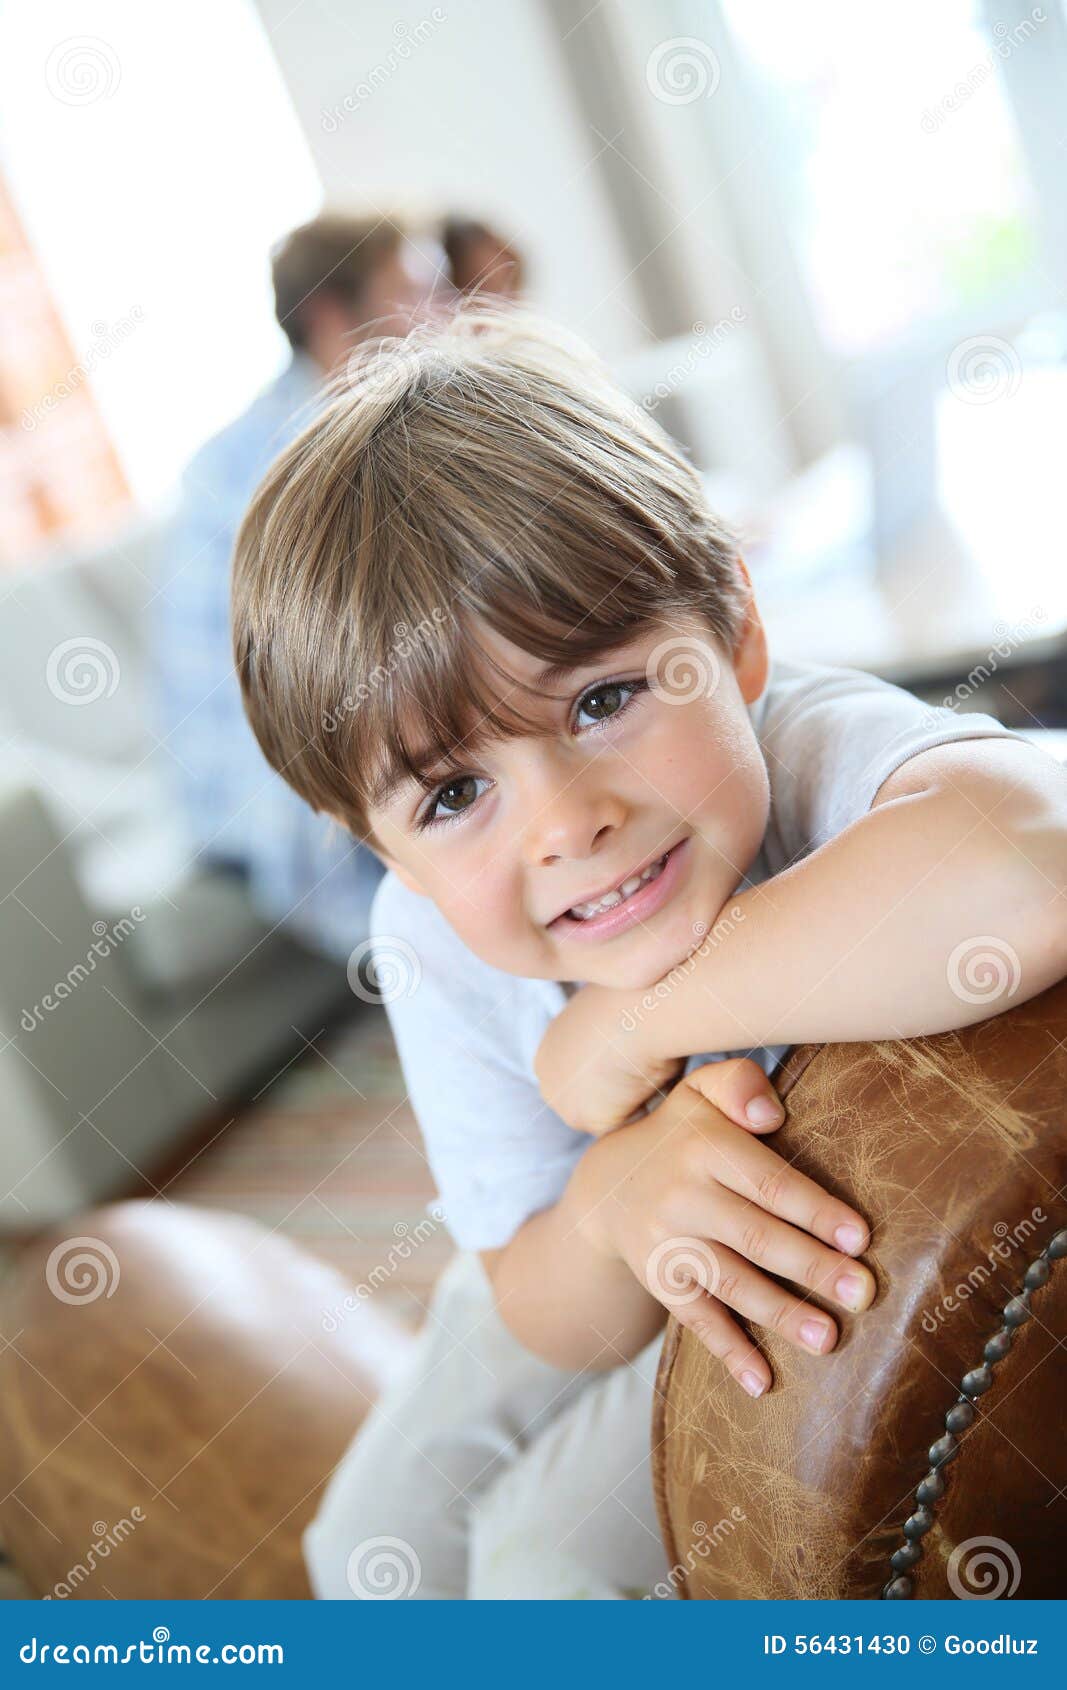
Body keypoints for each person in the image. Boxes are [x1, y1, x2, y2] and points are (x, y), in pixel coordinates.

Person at [229, 302, 1067, 1597]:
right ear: (378, 848)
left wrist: (627, 1023)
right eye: (451, 794)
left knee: (541, 1573)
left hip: (765, 1259)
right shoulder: (431, 937)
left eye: (603, 700)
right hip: (580, 1239)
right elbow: (534, 1300)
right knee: (364, 1552)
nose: (568, 823)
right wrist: (616, 1198)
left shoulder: (802, 749)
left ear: (733, 634)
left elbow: (1024, 871)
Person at [153, 212, 449, 958]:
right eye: (414, 290)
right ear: (330, 317)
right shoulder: (267, 458)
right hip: (257, 779)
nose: (444, 309)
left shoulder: (379, 413)